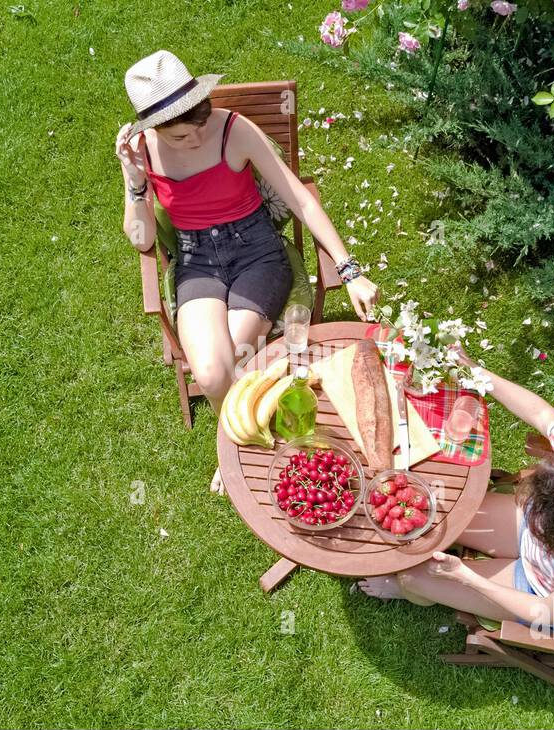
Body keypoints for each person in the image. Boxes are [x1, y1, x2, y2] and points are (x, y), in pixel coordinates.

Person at [116, 50, 380, 494]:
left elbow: (301, 199)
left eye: (201, 121)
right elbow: (142, 239)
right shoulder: (141, 153)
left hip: (256, 252)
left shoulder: (233, 130)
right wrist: (134, 181)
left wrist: (350, 270)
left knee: (233, 361)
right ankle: (242, 440)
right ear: (154, 128)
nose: (197, 137)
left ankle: (248, 442)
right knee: (211, 373)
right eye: (181, 136)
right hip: (196, 260)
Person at [359, 349, 554, 631]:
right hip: (535, 544)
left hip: (537, 591)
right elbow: (539, 412)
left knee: (413, 577)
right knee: (436, 506)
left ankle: (406, 589)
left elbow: (545, 612)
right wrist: (476, 372)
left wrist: (467, 577)